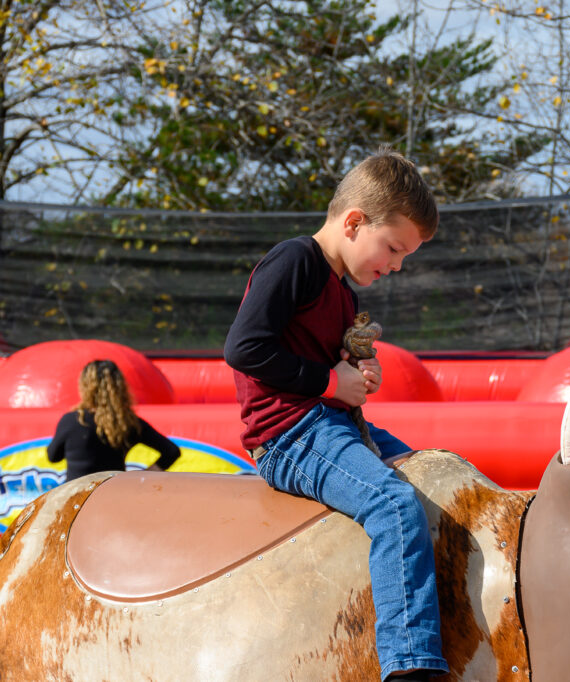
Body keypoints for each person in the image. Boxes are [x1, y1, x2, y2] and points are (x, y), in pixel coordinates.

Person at [223, 150, 447, 682]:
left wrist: (354, 378)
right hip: (287, 435)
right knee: (394, 505)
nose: (395, 265)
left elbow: (326, 368)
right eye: (394, 248)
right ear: (353, 222)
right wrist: (328, 382)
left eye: (405, 256)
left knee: (435, 469)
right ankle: (409, 665)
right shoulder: (295, 262)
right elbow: (244, 349)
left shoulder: (342, 294)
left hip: (328, 423)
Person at [48, 359, 181, 481]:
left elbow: (53, 457)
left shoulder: (72, 420)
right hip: (111, 495)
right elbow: (171, 452)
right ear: (120, 387)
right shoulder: (127, 423)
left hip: (77, 498)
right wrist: (142, 477)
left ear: (84, 387)